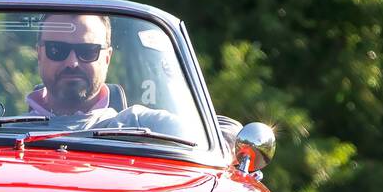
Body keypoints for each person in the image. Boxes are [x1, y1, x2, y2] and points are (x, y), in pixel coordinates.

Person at [26, 13, 239, 145]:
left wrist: (229, 140)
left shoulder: (141, 125)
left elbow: (217, 136)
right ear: (39, 54)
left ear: (107, 58)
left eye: (87, 51)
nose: (72, 62)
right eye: (57, 49)